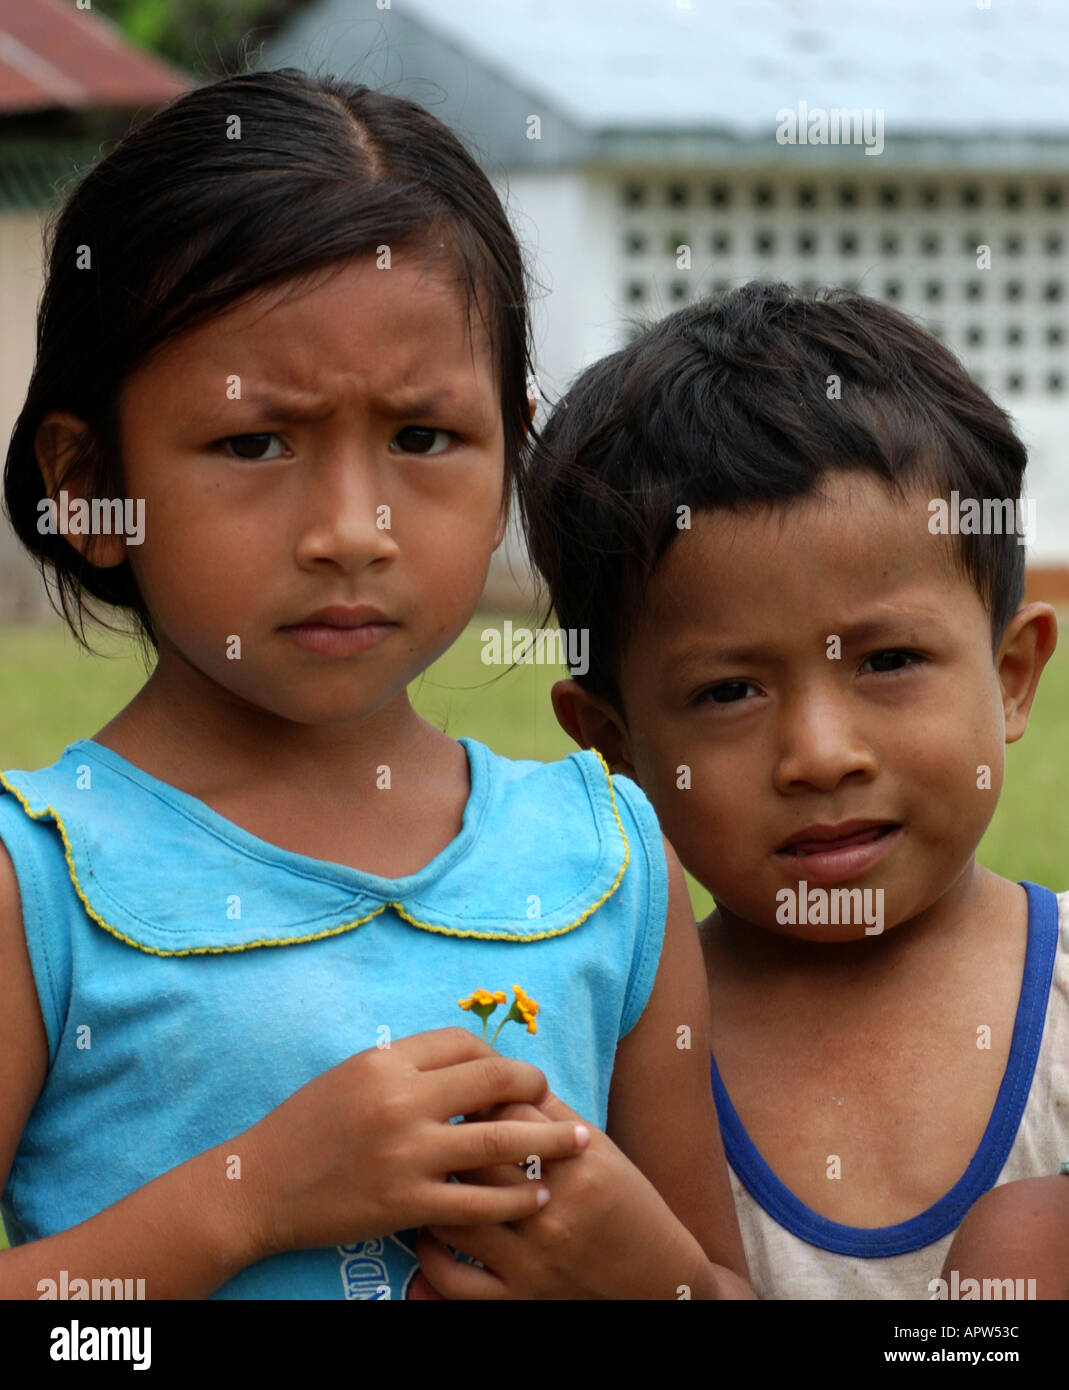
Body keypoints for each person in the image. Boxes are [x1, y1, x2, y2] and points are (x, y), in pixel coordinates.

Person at [0, 69, 749, 1300]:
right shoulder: (42, 884)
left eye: (421, 438)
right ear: (88, 485)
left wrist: (636, 1267)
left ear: (508, 452)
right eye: (254, 443)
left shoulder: (609, 864)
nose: (353, 529)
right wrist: (252, 1197)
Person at [520, 281, 1068, 1299]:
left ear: (1009, 676)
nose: (819, 754)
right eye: (728, 690)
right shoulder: (596, 1061)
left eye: (889, 660)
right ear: (614, 744)